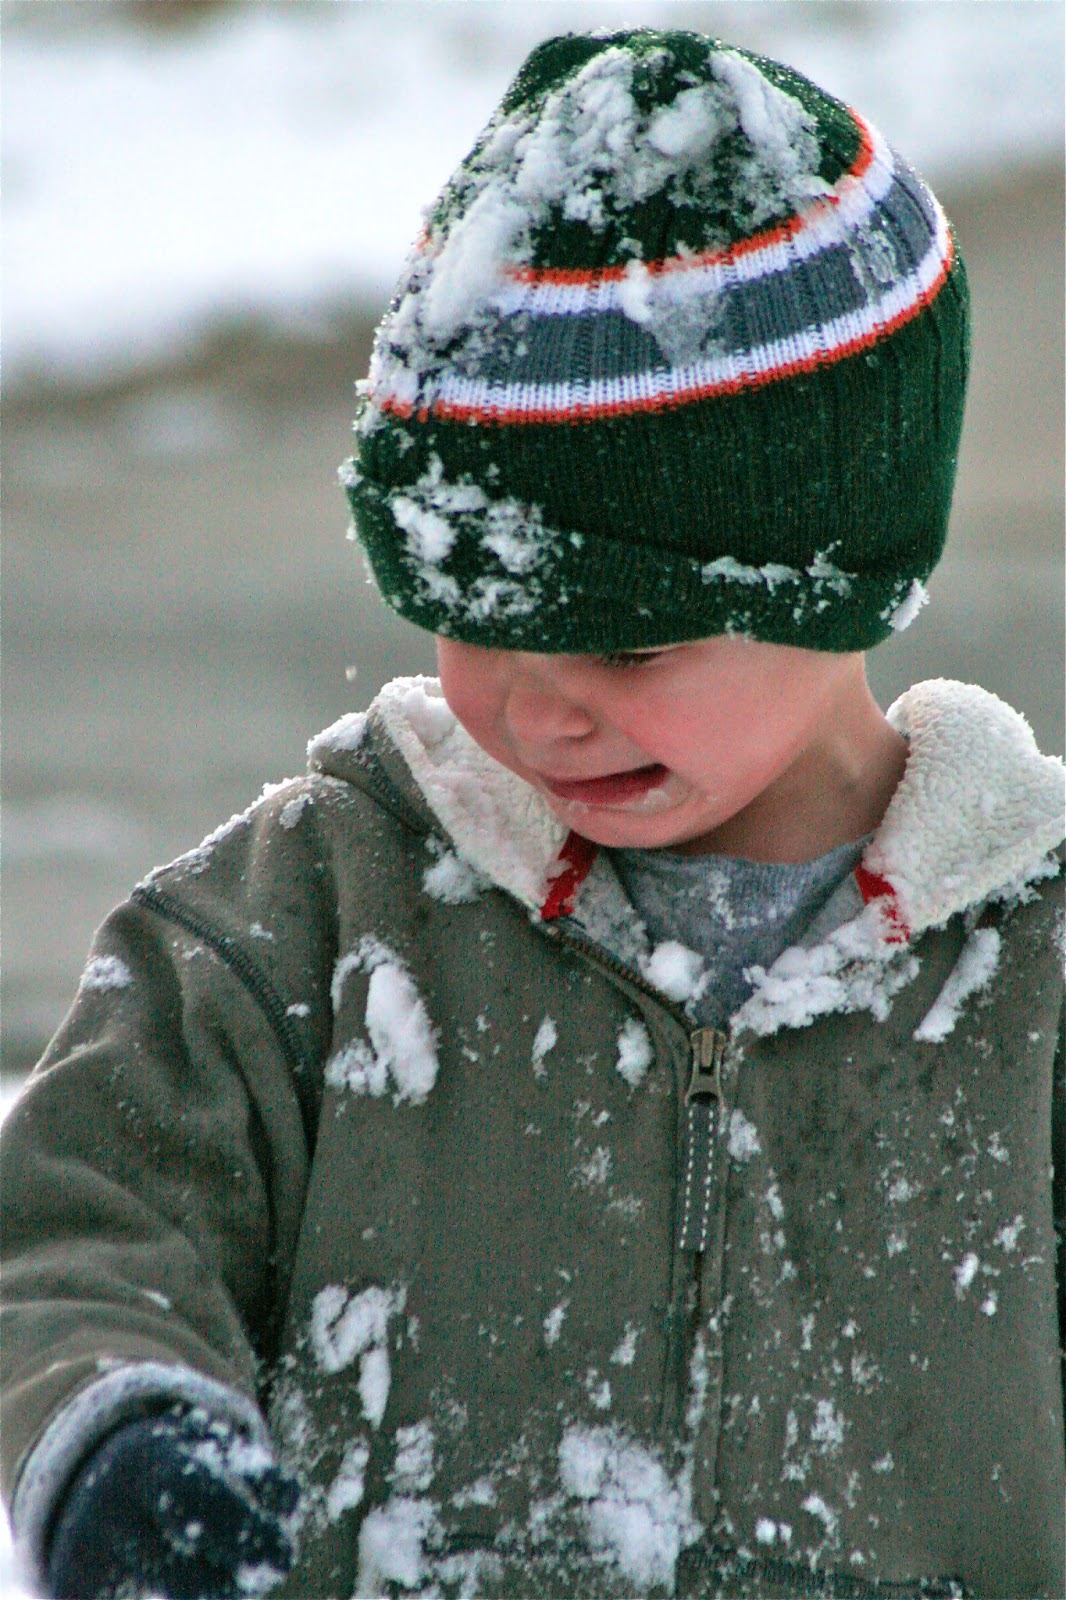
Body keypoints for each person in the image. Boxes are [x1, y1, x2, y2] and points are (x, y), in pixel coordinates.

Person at [2, 28, 1063, 1600]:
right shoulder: (309, 915)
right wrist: (122, 1434)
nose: (537, 709)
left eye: (628, 646)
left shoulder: (1030, 975)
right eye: (476, 624)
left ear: (839, 581)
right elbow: (76, 1226)